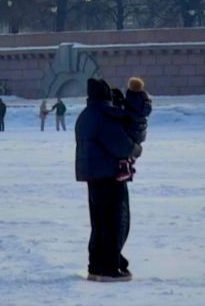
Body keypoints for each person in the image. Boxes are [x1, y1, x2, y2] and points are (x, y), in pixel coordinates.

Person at [75, 78, 138, 282]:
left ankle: (95, 266)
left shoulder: (85, 115)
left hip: (92, 176)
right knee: (115, 223)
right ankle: (110, 268)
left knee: (99, 223)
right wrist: (136, 149)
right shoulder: (104, 116)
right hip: (110, 176)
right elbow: (122, 146)